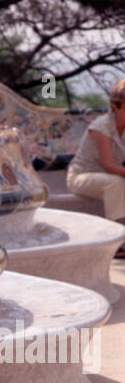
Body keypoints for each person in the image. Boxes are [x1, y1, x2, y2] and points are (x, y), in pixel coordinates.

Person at [66, 78, 125, 256]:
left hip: (111, 179)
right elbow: (108, 166)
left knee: (116, 183)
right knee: (115, 183)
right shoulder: (100, 127)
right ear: (115, 107)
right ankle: (116, 242)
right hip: (81, 177)